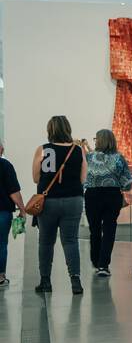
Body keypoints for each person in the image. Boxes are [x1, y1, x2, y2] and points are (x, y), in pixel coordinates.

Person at [30, 116, 88, 295]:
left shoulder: (43, 149)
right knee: (70, 241)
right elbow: (82, 179)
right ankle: (75, 281)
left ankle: (45, 281)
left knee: (46, 242)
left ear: (50, 130)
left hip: (48, 202)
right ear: (67, 129)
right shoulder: (78, 150)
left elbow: (35, 178)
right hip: (73, 200)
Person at [83, 129, 132, 277]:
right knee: (109, 229)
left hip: (92, 196)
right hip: (112, 196)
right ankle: (104, 265)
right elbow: (127, 182)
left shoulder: (89, 157)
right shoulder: (118, 158)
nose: (95, 141)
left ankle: (95, 259)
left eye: (96, 139)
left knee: (94, 228)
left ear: (100, 140)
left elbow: (82, 178)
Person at [0, 141, 25, 290]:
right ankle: (0, 277)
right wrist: (22, 210)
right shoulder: (5, 166)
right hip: (2, 212)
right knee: (1, 244)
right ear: (2, 149)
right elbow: (13, 192)